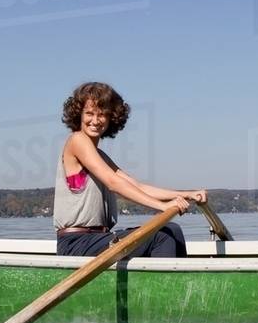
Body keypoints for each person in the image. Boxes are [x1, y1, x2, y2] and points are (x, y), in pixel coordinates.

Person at [54, 81, 207, 257]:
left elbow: (137, 187)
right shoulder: (77, 140)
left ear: (111, 118)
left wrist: (187, 194)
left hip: (98, 239)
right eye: (89, 113)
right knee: (162, 236)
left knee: (172, 230)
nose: (95, 121)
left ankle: (178, 282)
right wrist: (161, 207)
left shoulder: (100, 156)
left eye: (102, 114)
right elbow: (114, 183)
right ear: (79, 115)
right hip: (77, 243)